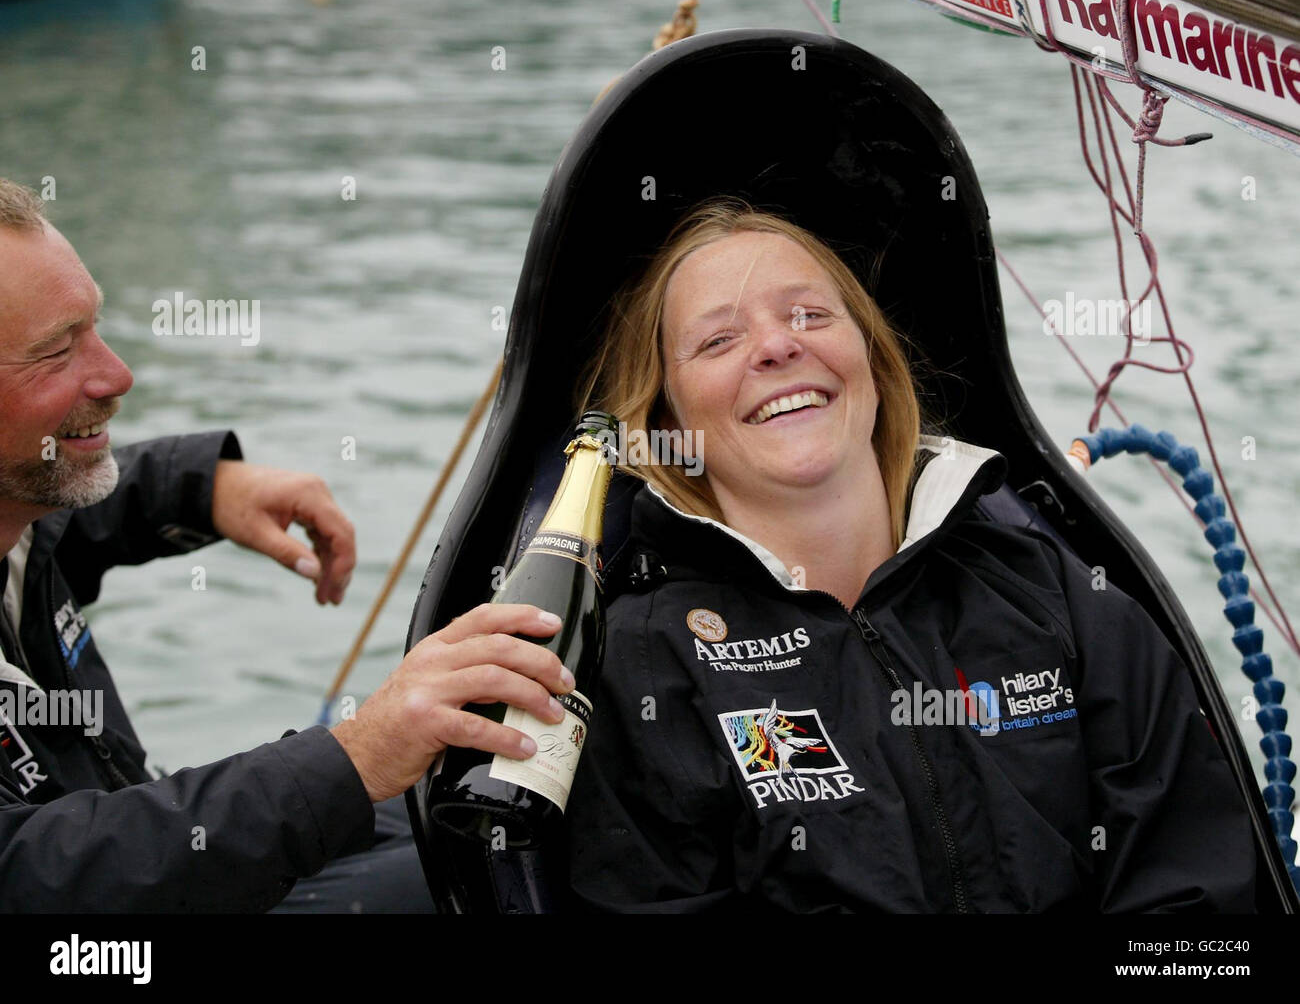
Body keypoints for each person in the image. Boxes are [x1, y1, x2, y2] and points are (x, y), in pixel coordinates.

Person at [562, 197, 1257, 912]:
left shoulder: (1054, 592)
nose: (775, 347)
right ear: (669, 419)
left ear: (871, 356)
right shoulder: (640, 669)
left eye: (809, 316)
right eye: (717, 341)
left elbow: (1198, 905)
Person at [0, 177, 575, 912]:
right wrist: (354, 757)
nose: (117, 374)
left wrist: (200, 487)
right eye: (56, 353)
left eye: (94, 328)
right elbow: (28, 875)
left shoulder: (19, 524)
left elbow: (60, 522)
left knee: (469, 807)